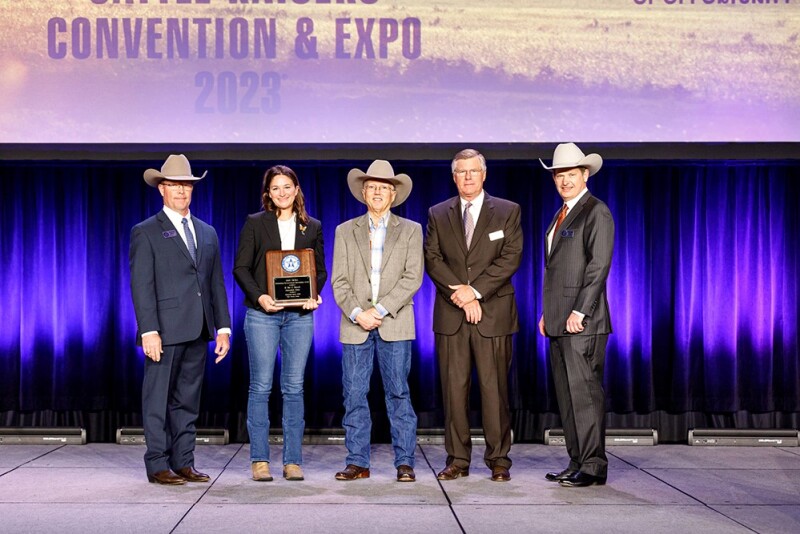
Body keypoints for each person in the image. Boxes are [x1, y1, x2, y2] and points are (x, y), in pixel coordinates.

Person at [129, 154, 231, 485]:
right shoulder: (145, 232)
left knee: (187, 401)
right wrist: (149, 330)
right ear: (162, 189)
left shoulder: (208, 232)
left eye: (186, 185)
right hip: (164, 330)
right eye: (174, 185)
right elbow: (141, 286)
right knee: (157, 399)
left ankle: (184, 461)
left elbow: (215, 283)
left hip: (199, 329)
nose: (181, 191)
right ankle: (158, 463)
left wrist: (224, 329)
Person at [424, 148, 523, 482]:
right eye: (461, 172)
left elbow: (510, 257)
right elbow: (433, 260)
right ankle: (458, 459)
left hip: (493, 315)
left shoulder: (508, 211)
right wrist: (462, 296)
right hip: (452, 316)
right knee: (454, 391)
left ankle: (499, 459)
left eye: (473, 171)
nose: (467, 177)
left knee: (495, 391)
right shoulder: (438, 213)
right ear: (454, 177)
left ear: (484, 174)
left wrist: (476, 291)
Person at [233, 165, 327, 482]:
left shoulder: (311, 226)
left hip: (300, 316)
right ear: (268, 194)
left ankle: (292, 461)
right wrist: (260, 297)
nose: (283, 193)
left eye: (288, 187)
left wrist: (313, 294)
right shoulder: (255, 223)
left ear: (297, 189)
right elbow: (241, 269)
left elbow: (320, 271)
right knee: (260, 387)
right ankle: (260, 460)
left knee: (294, 388)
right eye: (276, 188)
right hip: (262, 315)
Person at [331, 160, 423, 483]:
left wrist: (380, 310)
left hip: (394, 322)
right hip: (355, 324)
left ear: (393, 193)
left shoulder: (411, 230)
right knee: (354, 394)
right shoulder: (345, 231)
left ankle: (405, 462)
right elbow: (339, 281)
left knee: (398, 392)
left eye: (384, 187)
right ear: (364, 192)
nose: (378, 192)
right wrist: (359, 313)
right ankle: (357, 461)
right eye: (373, 187)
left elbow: (413, 278)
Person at [538, 142, 614, 488]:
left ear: (584, 174)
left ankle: (594, 465)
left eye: (570, 174)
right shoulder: (561, 214)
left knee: (584, 395)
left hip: (582, 322)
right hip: (557, 320)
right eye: (559, 175)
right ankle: (577, 460)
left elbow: (598, 267)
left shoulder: (596, 211)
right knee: (567, 397)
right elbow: (556, 270)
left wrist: (580, 310)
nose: (564, 181)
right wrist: (547, 312)